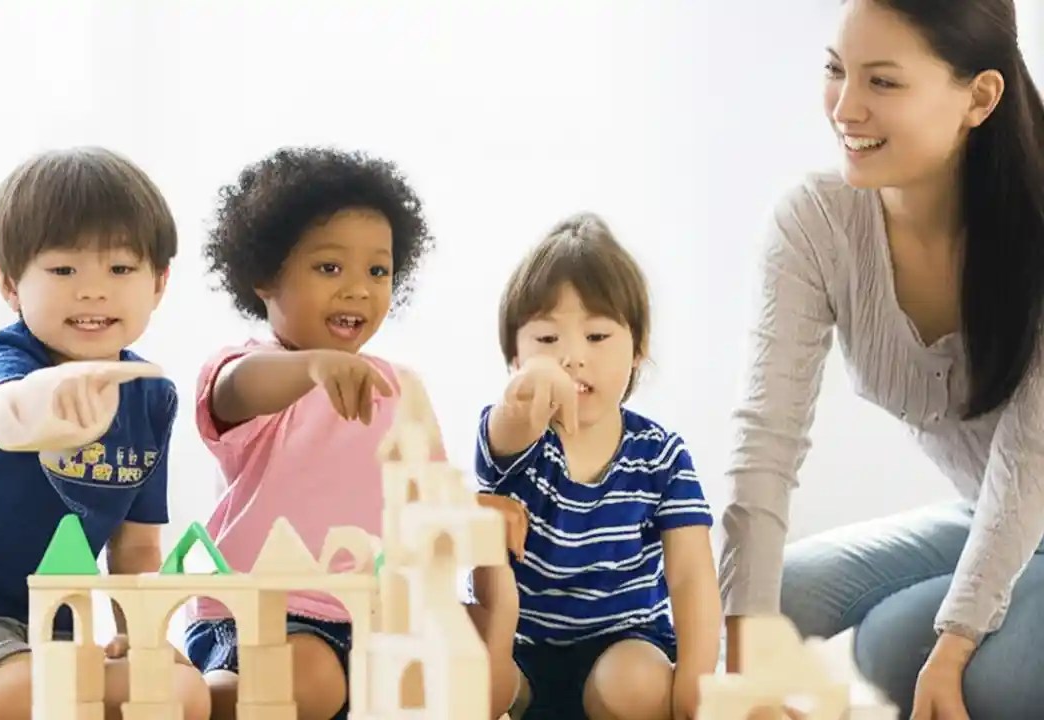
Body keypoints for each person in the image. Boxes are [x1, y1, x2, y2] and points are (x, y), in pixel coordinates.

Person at [718, 1, 1044, 717]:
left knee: (929, 659)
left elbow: (1029, 467)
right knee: (779, 598)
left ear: (980, 98)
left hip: (1029, 505)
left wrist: (956, 641)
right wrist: (743, 667)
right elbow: (764, 445)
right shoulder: (815, 224)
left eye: (884, 83)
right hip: (980, 513)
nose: (846, 108)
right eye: (836, 71)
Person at [0, 147, 210, 720]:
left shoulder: (153, 398)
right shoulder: (11, 361)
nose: (93, 290)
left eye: (120, 269)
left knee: (182, 694)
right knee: (26, 695)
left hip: (50, 629)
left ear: (159, 282)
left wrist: (144, 638)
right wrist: (45, 401)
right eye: (63, 270)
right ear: (10, 284)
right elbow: (2, 412)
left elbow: (137, 549)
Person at [186, 146, 519, 720]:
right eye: (329, 268)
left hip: (376, 617)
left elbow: (425, 499)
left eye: (378, 271)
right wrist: (312, 368)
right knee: (311, 677)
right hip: (263, 615)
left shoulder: (402, 388)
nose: (358, 289)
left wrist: (477, 510)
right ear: (264, 275)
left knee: (484, 670)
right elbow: (238, 389)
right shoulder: (249, 371)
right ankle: (188, 703)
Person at [474, 213, 721, 720]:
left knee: (637, 683)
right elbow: (510, 416)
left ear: (638, 350)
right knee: (464, 672)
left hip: (626, 647)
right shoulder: (516, 442)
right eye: (546, 340)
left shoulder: (661, 455)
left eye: (597, 336)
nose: (571, 357)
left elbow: (693, 577)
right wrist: (526, 392)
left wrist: (696, 692)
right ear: (514, 360)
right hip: (520, 657)